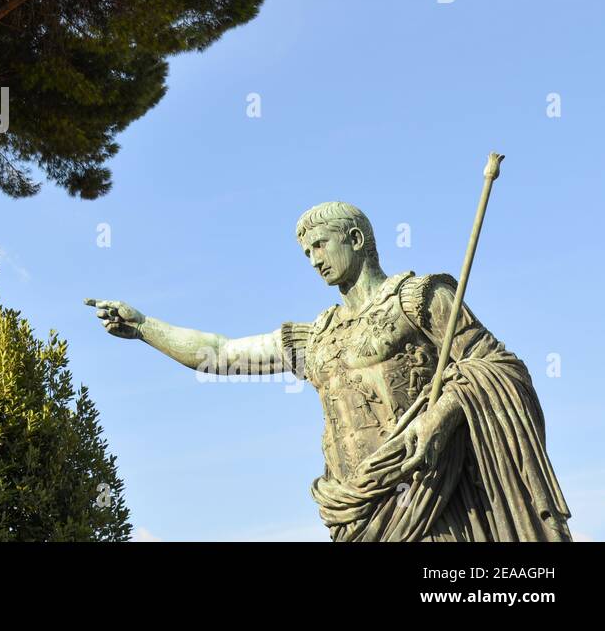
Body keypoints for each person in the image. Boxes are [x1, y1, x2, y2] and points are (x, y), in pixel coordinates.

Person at [87, 201, 572, 541]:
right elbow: (218, 352)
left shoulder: (419, 299)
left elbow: (498, 367)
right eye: (306, 253)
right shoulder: (316, 337)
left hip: (429, 501)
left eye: (320, 245)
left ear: (356, 239)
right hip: (354, 513)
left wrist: (439, 417)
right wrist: (145, 327)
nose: (313, 260)